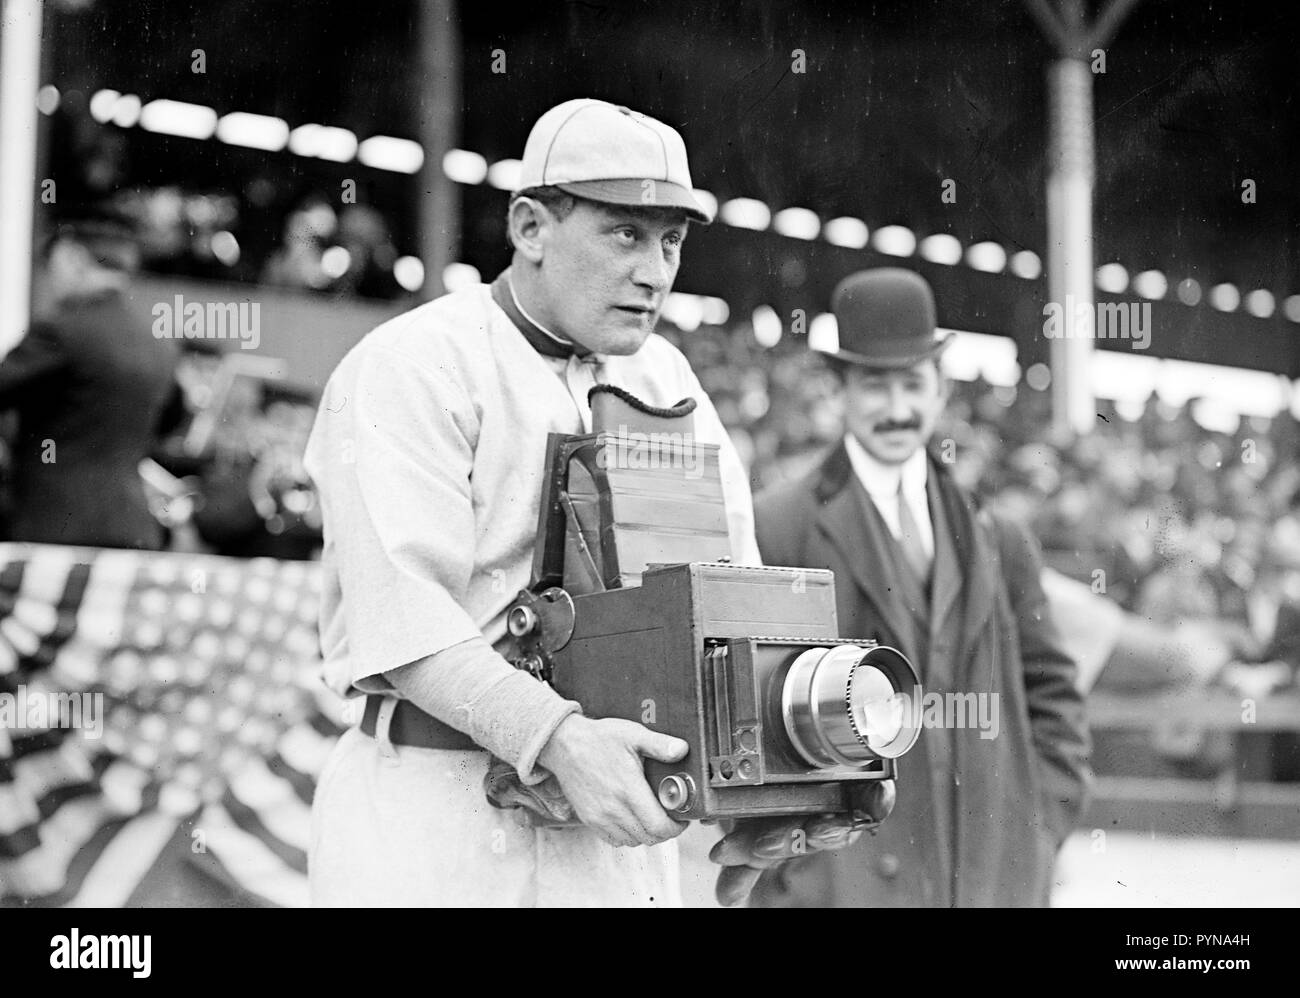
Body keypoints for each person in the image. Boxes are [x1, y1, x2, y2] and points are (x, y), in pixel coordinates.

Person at [303, 98, 855, 907]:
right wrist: (555, 737)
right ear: (530, 228)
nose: (657, 271)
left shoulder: (666, 378)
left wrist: (763, 797)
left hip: (611, 831)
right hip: (433, 808)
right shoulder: (411, 364)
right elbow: (404, 624)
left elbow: (732, 599)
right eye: (625, 233)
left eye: (671, 240)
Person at [750, 268, 1092, 907]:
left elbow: (1054, 695)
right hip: (848, 886)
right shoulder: (780, 523)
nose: (897, 409)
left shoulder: (997, 533)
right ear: (839, 391)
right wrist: (797, 871)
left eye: (913, 383)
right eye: (874, 386)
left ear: (941, 390)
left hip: (990, 879)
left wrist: (1039, 825)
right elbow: (755, 711)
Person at [0, 209, 181, 550]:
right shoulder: (158, 344)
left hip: (54, 530)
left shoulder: (62, 330)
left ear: (72, 257)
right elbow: (170, 422)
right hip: (132, 529)